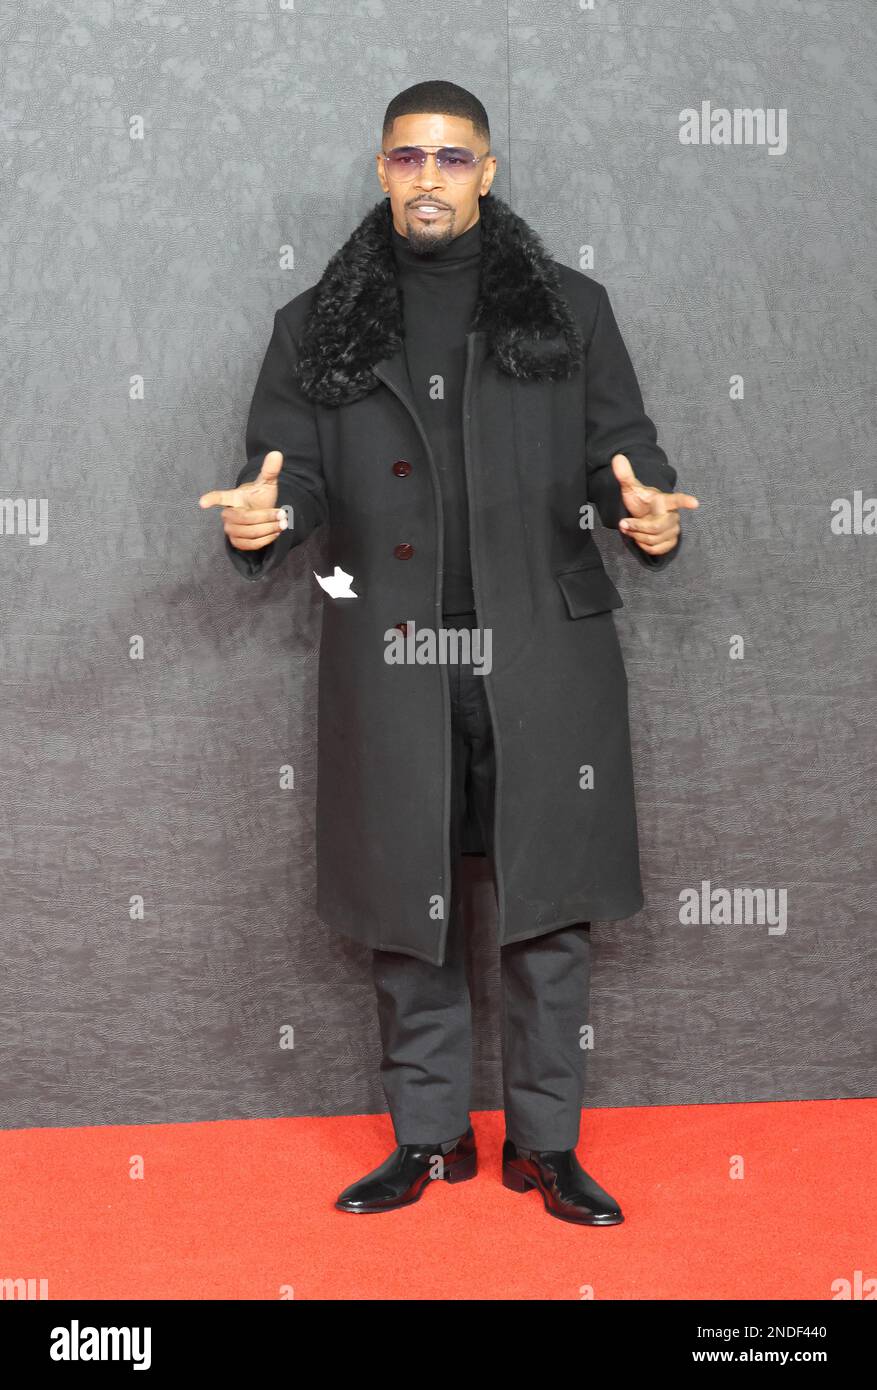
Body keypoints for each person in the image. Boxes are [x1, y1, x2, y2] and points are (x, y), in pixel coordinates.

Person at [200, 80, 698, 1226]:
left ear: (488, 169)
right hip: (393, 652)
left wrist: (646, 510)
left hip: (544, 651)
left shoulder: (569, 310)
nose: (430, 175)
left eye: (454, 157)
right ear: (381, 169)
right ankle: (427, 1142)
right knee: (403, 900)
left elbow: (622, 454)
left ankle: (546, 1146)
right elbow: (291, 474)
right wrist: (263, 522)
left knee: (544, 906)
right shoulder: (314, 323)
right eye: (409, 156)